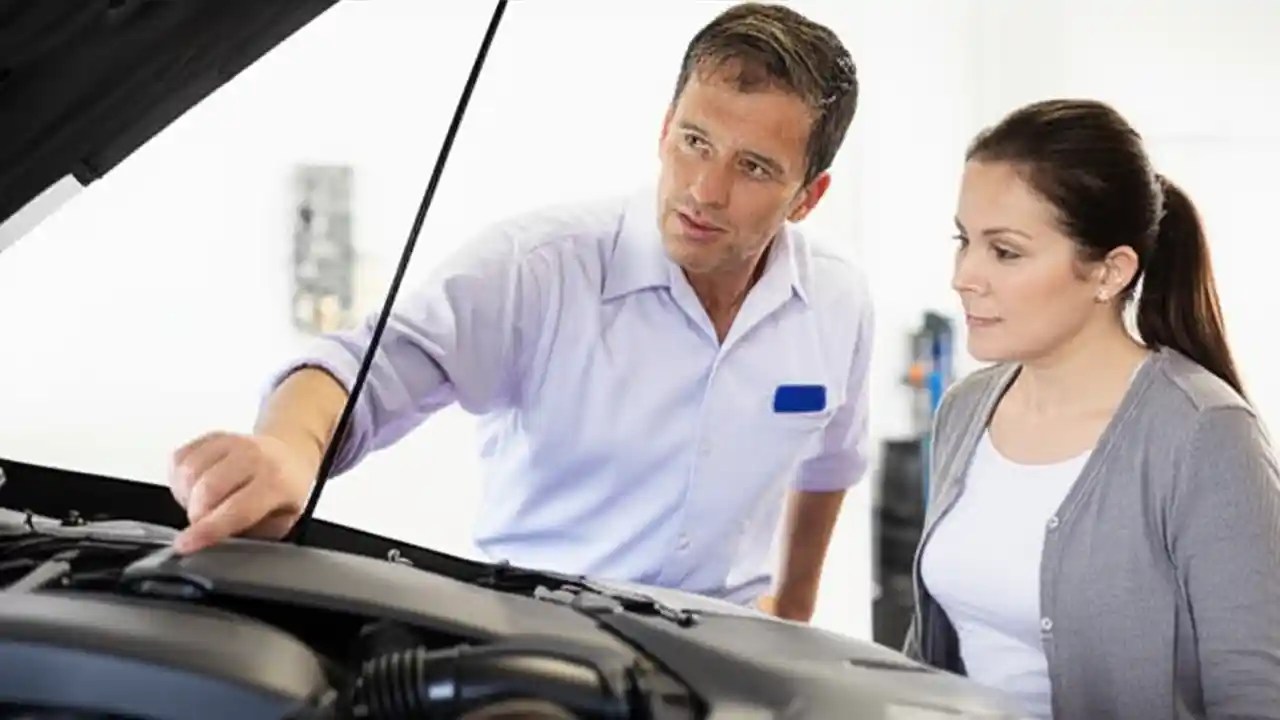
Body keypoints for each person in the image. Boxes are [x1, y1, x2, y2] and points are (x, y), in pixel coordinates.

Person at [166, 2, 872, 623]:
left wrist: (795, 613)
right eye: (695, 142)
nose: (704, 191)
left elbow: (832, 460)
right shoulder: (539, 267)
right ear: (664, 129)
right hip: (539, 643)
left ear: (807, 196)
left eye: (752, 167)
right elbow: (362, 368)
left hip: (727, 659)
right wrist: (290, 449)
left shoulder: (838, 303)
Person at [903, 98, 1280, 719]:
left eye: (1006, 252)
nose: (964, 276)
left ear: (1109, 271)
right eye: (963, 241)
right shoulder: (966, 410)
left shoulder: (1203, 434)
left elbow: (1254, 701)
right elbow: (927, 659)